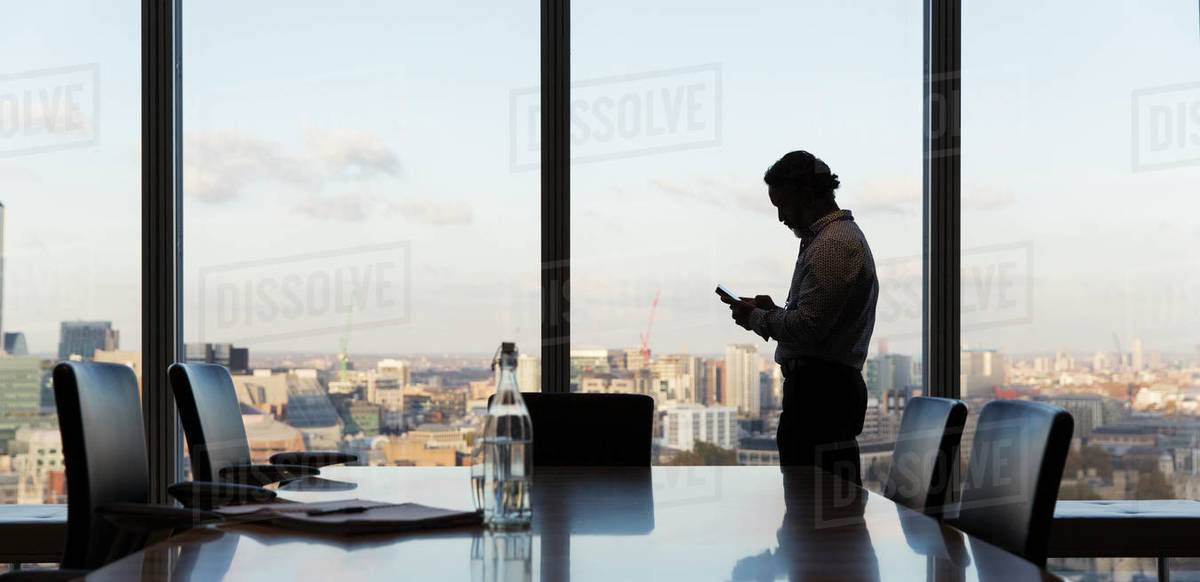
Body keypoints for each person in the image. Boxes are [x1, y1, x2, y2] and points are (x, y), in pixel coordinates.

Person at [720, 150, 878, 484]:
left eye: (783, 205)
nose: (780, 217)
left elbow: (808, 329)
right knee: (821, 511)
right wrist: (774, 311)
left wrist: (758, 318)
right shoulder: (829, 240)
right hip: (823, 394)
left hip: (821, 397)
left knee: (818, 506)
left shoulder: (832, 245)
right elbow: (816, 320)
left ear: (807, 196)